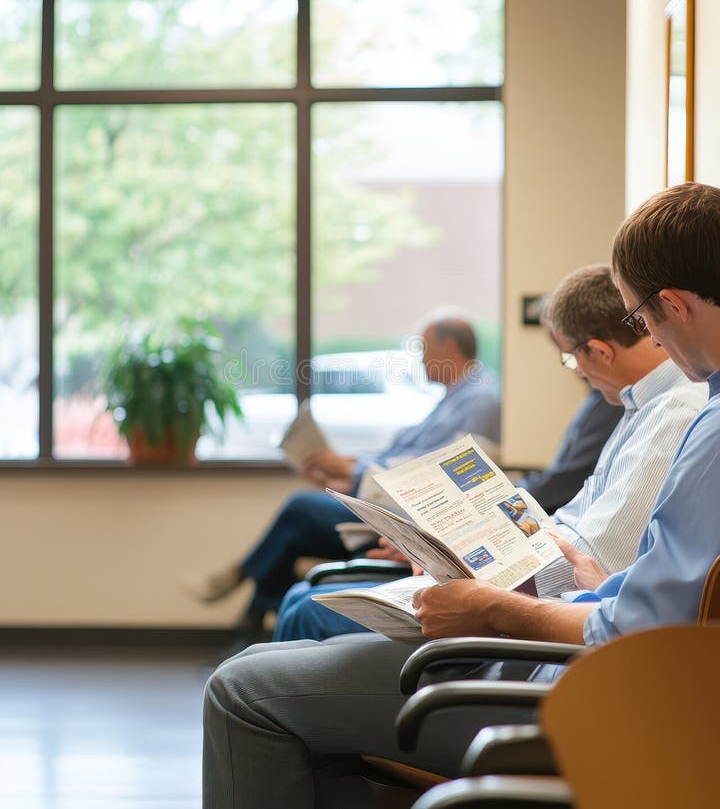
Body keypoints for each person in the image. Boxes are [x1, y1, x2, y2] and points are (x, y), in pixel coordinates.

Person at [202, 183, 720, 808]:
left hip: (581, 689)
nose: (653, 341)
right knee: (282, 661)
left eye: (642, 319)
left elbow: (634, 629)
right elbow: (633, 581)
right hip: (582, 660)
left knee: (240, 688)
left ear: (672, 305)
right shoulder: (682, 412)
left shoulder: (701, 425)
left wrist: (492, 606)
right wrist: (577, 575)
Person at [270, 264, 706, 642]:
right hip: (519, 594)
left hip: (526, 613)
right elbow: (569, 523)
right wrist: (456, 548)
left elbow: (591, 561)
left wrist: (478, 572)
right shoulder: (635, 406)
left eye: (571, 361)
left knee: (303, 613)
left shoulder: (672, 411)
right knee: (299, 601)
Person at [189, 316, 501, 629]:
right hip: (381, 498)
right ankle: (252, 622)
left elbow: (438, 470)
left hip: (400, 515)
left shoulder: (479, 399)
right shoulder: (453, 399)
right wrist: (346, 475)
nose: (420, 358)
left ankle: (244, 593)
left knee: (298, 510)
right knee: (293, 534)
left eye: (425, 348)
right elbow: (400, 459)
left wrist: (354, 470)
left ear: (449, 346)